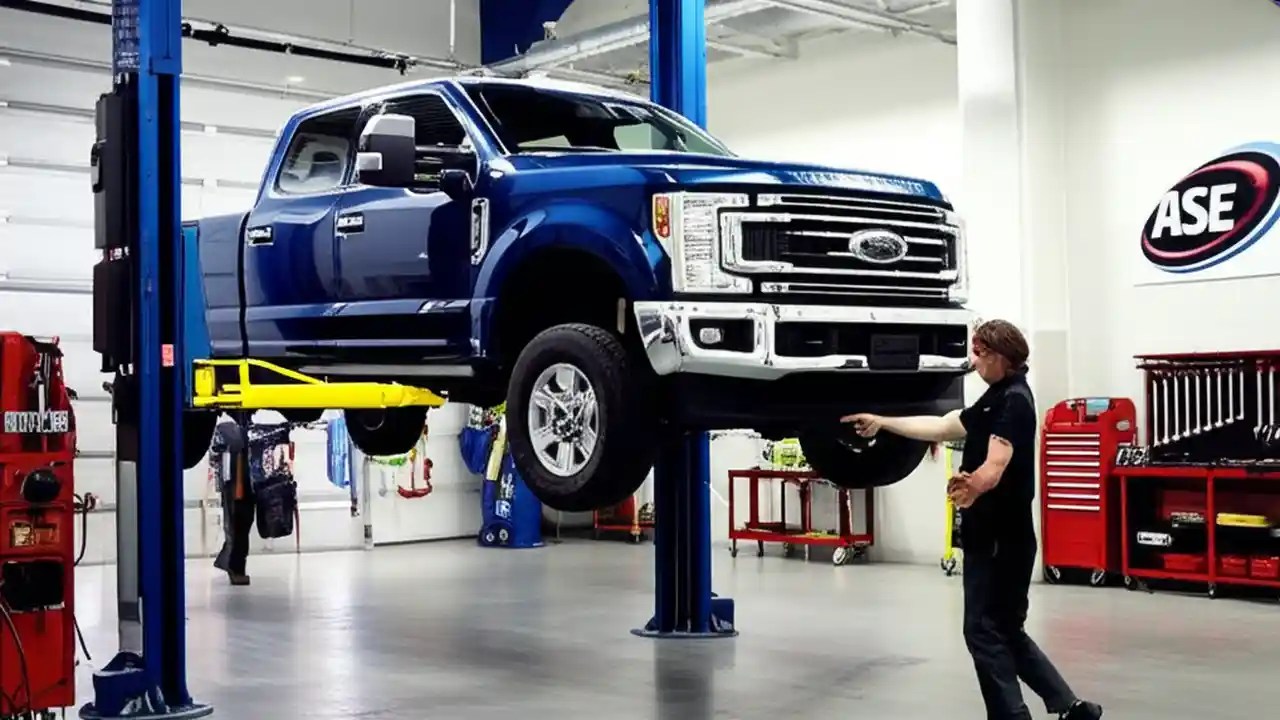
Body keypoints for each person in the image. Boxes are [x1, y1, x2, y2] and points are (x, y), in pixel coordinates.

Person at [844, 319, 1102, 720]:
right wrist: (884, 421)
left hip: (999, 539)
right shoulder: (997, 396)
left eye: (979, 354)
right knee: (1006, 630)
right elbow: (946, 426)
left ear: (999, 357)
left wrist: (975, 484)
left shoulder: (1013, 401)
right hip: (1009, 537)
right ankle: (1071, 707)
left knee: (981, 630)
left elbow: (997, 462)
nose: (973, 361)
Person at [211, 416, 255, 586]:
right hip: (235, 487)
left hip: (240, 486)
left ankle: (232, 564)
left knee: (240, 527)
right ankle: (234, 567)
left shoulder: (238, 431)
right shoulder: (228, 430)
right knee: (237, 527)